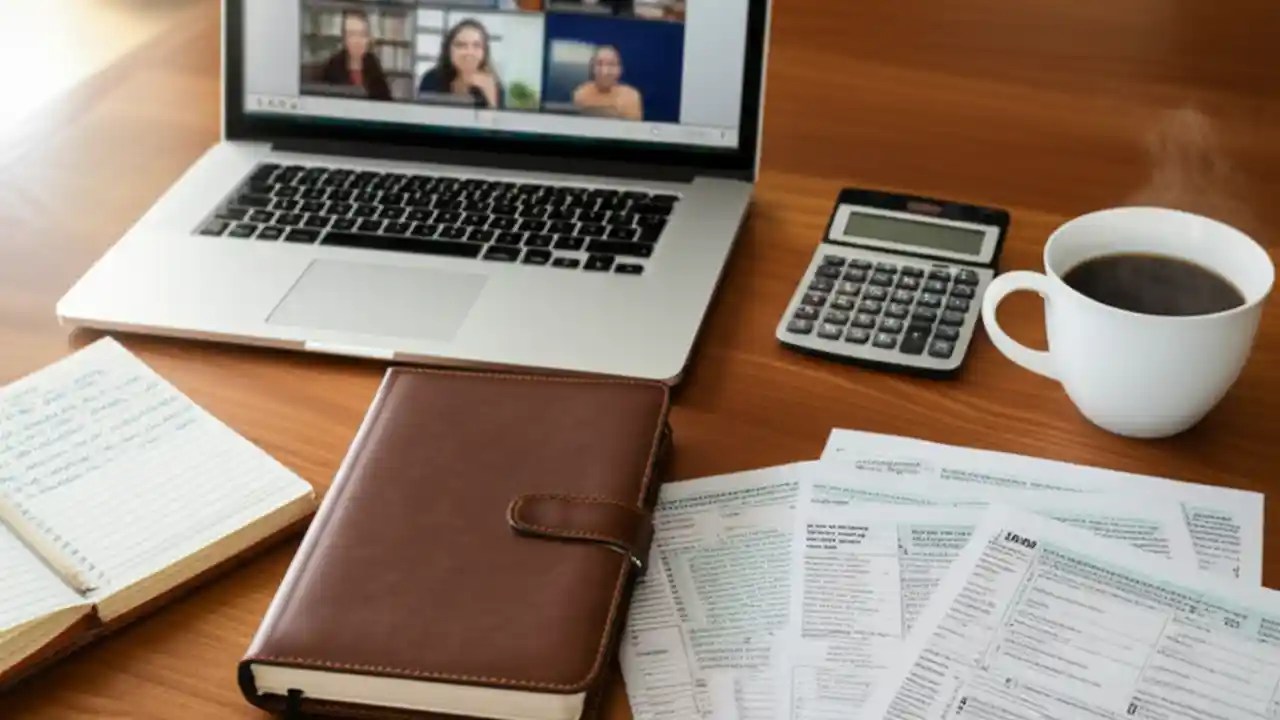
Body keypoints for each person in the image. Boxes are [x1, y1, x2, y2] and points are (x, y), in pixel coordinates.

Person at [417, 20, 504, 109]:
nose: (469, 52)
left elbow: (497, 117)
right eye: (461, 45)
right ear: (448, 50)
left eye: (476, 45)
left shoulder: (495, 85)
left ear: (484, 52)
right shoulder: (431, 79)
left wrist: (491, 100)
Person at [319, 10, 392, 100]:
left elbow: (386, 100)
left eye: (362, 34)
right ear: (344, 39)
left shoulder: (373, 65)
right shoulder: (332, 67)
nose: (357, 41)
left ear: (368, 39)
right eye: (352, 34)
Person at [572, 45, 643, 120]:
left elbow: (632, 126)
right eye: (599, 64)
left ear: (619, 70)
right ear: (592, 68)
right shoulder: (581, 94)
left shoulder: (630, 96)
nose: (605, 71)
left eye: (611, 65)